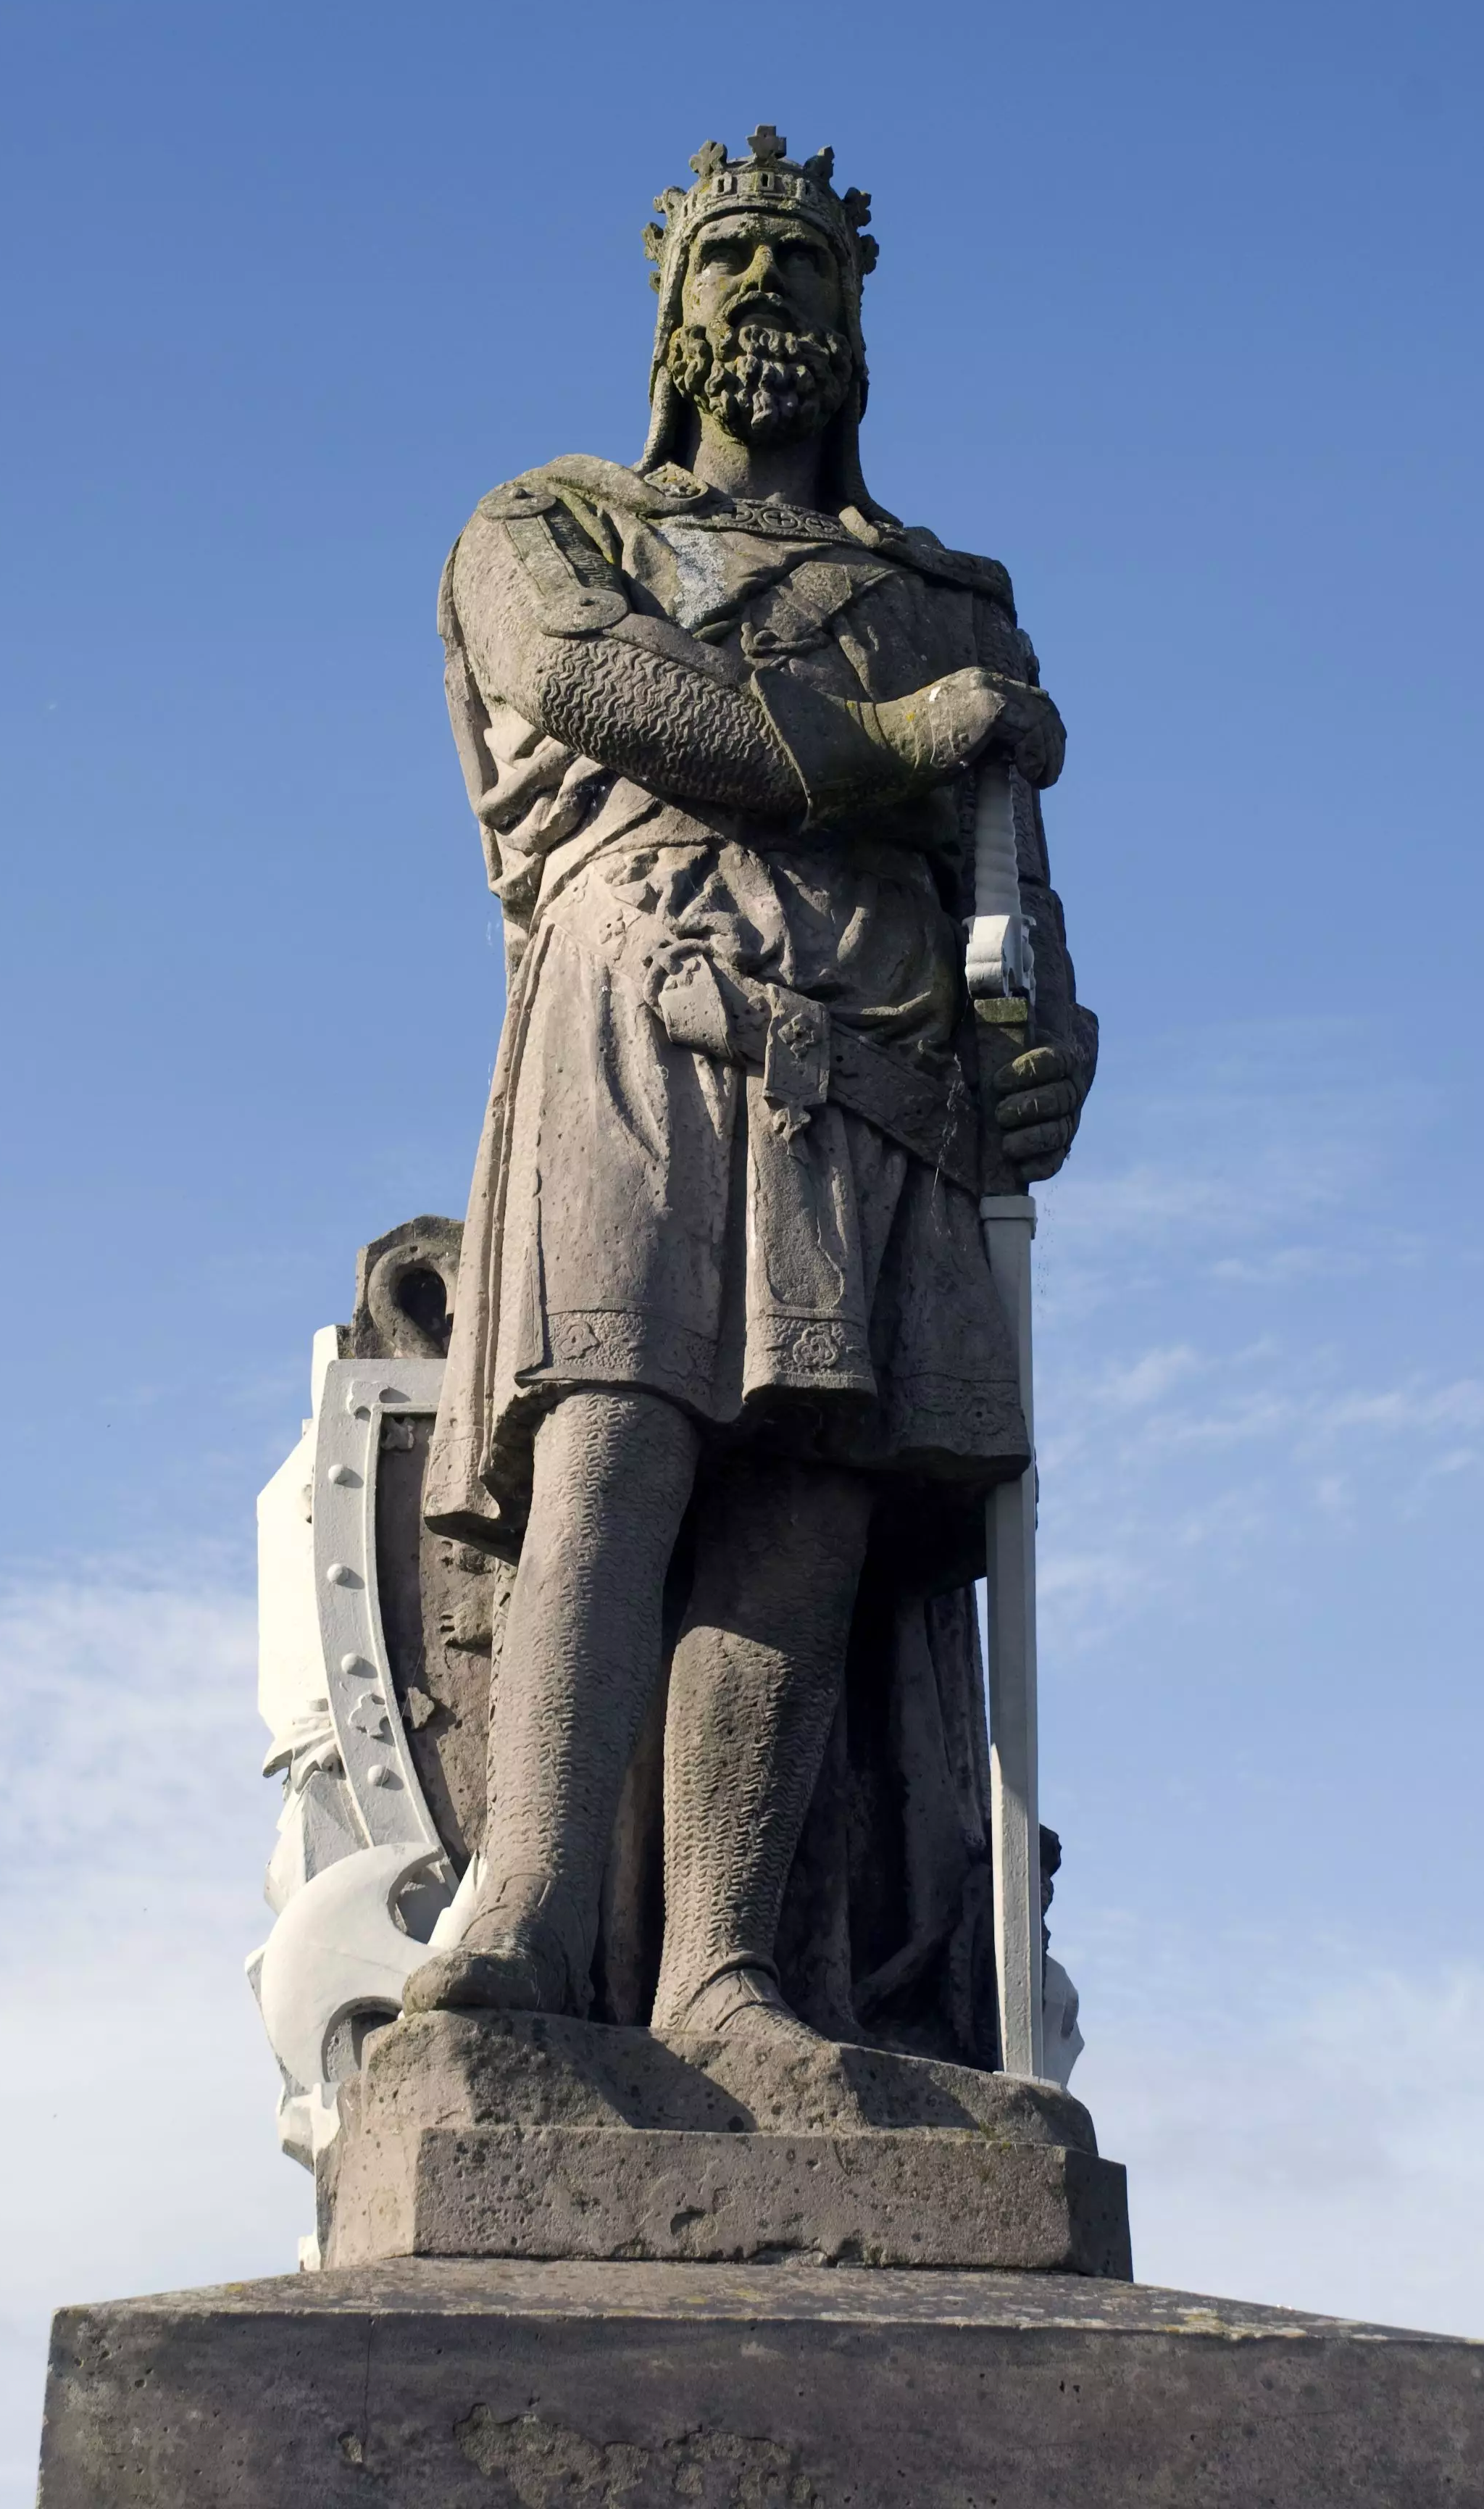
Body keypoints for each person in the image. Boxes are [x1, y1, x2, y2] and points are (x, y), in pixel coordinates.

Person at [415, 128, 1096, 2042]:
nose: (770, 296)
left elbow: (1014, 903)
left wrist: (1051, 1045)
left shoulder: (954, 600)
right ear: (672, 312)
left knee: (812, 1492)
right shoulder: (549, 528)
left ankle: (727, 1965)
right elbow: (609, 691)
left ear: (860, 321)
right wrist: (891, 737)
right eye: (733, 263)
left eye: (806, 268)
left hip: (880, 1050)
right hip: (640, 1009)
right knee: (612, 1443)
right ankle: (532, 1910)